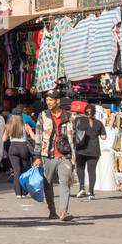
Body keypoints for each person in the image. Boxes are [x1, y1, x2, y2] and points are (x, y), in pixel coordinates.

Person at [34, 91, 77, 222]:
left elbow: (74, 138)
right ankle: (52, 211)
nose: (48, 102)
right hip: (48, 155)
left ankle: (63, 212)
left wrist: (74, 156)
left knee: (65, 183)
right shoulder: (43, 116)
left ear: (57, 101)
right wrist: (37, 156)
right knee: (48, 184)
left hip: (65, 155)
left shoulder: (70, 117)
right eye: (47, 100)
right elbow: (38, 136)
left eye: (51, 100)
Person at [70, 100, 106, 199]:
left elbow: (73, 131)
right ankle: (91, 192)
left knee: (80, 168)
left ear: (84, 112)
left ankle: (82, 188)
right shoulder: (99, 123)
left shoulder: (79, 120)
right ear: (95, 112)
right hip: (94, 150)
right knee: (92, 171)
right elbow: (103, 137)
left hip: (81, 149)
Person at [4, 113, 37, 198]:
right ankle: (24, 191)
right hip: (23, 148)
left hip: (13, 147)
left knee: (16, 170)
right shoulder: (25, 125)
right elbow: (33, 137)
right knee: (25, 170)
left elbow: (3, 139)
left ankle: (18, 193)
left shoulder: (9, 125)